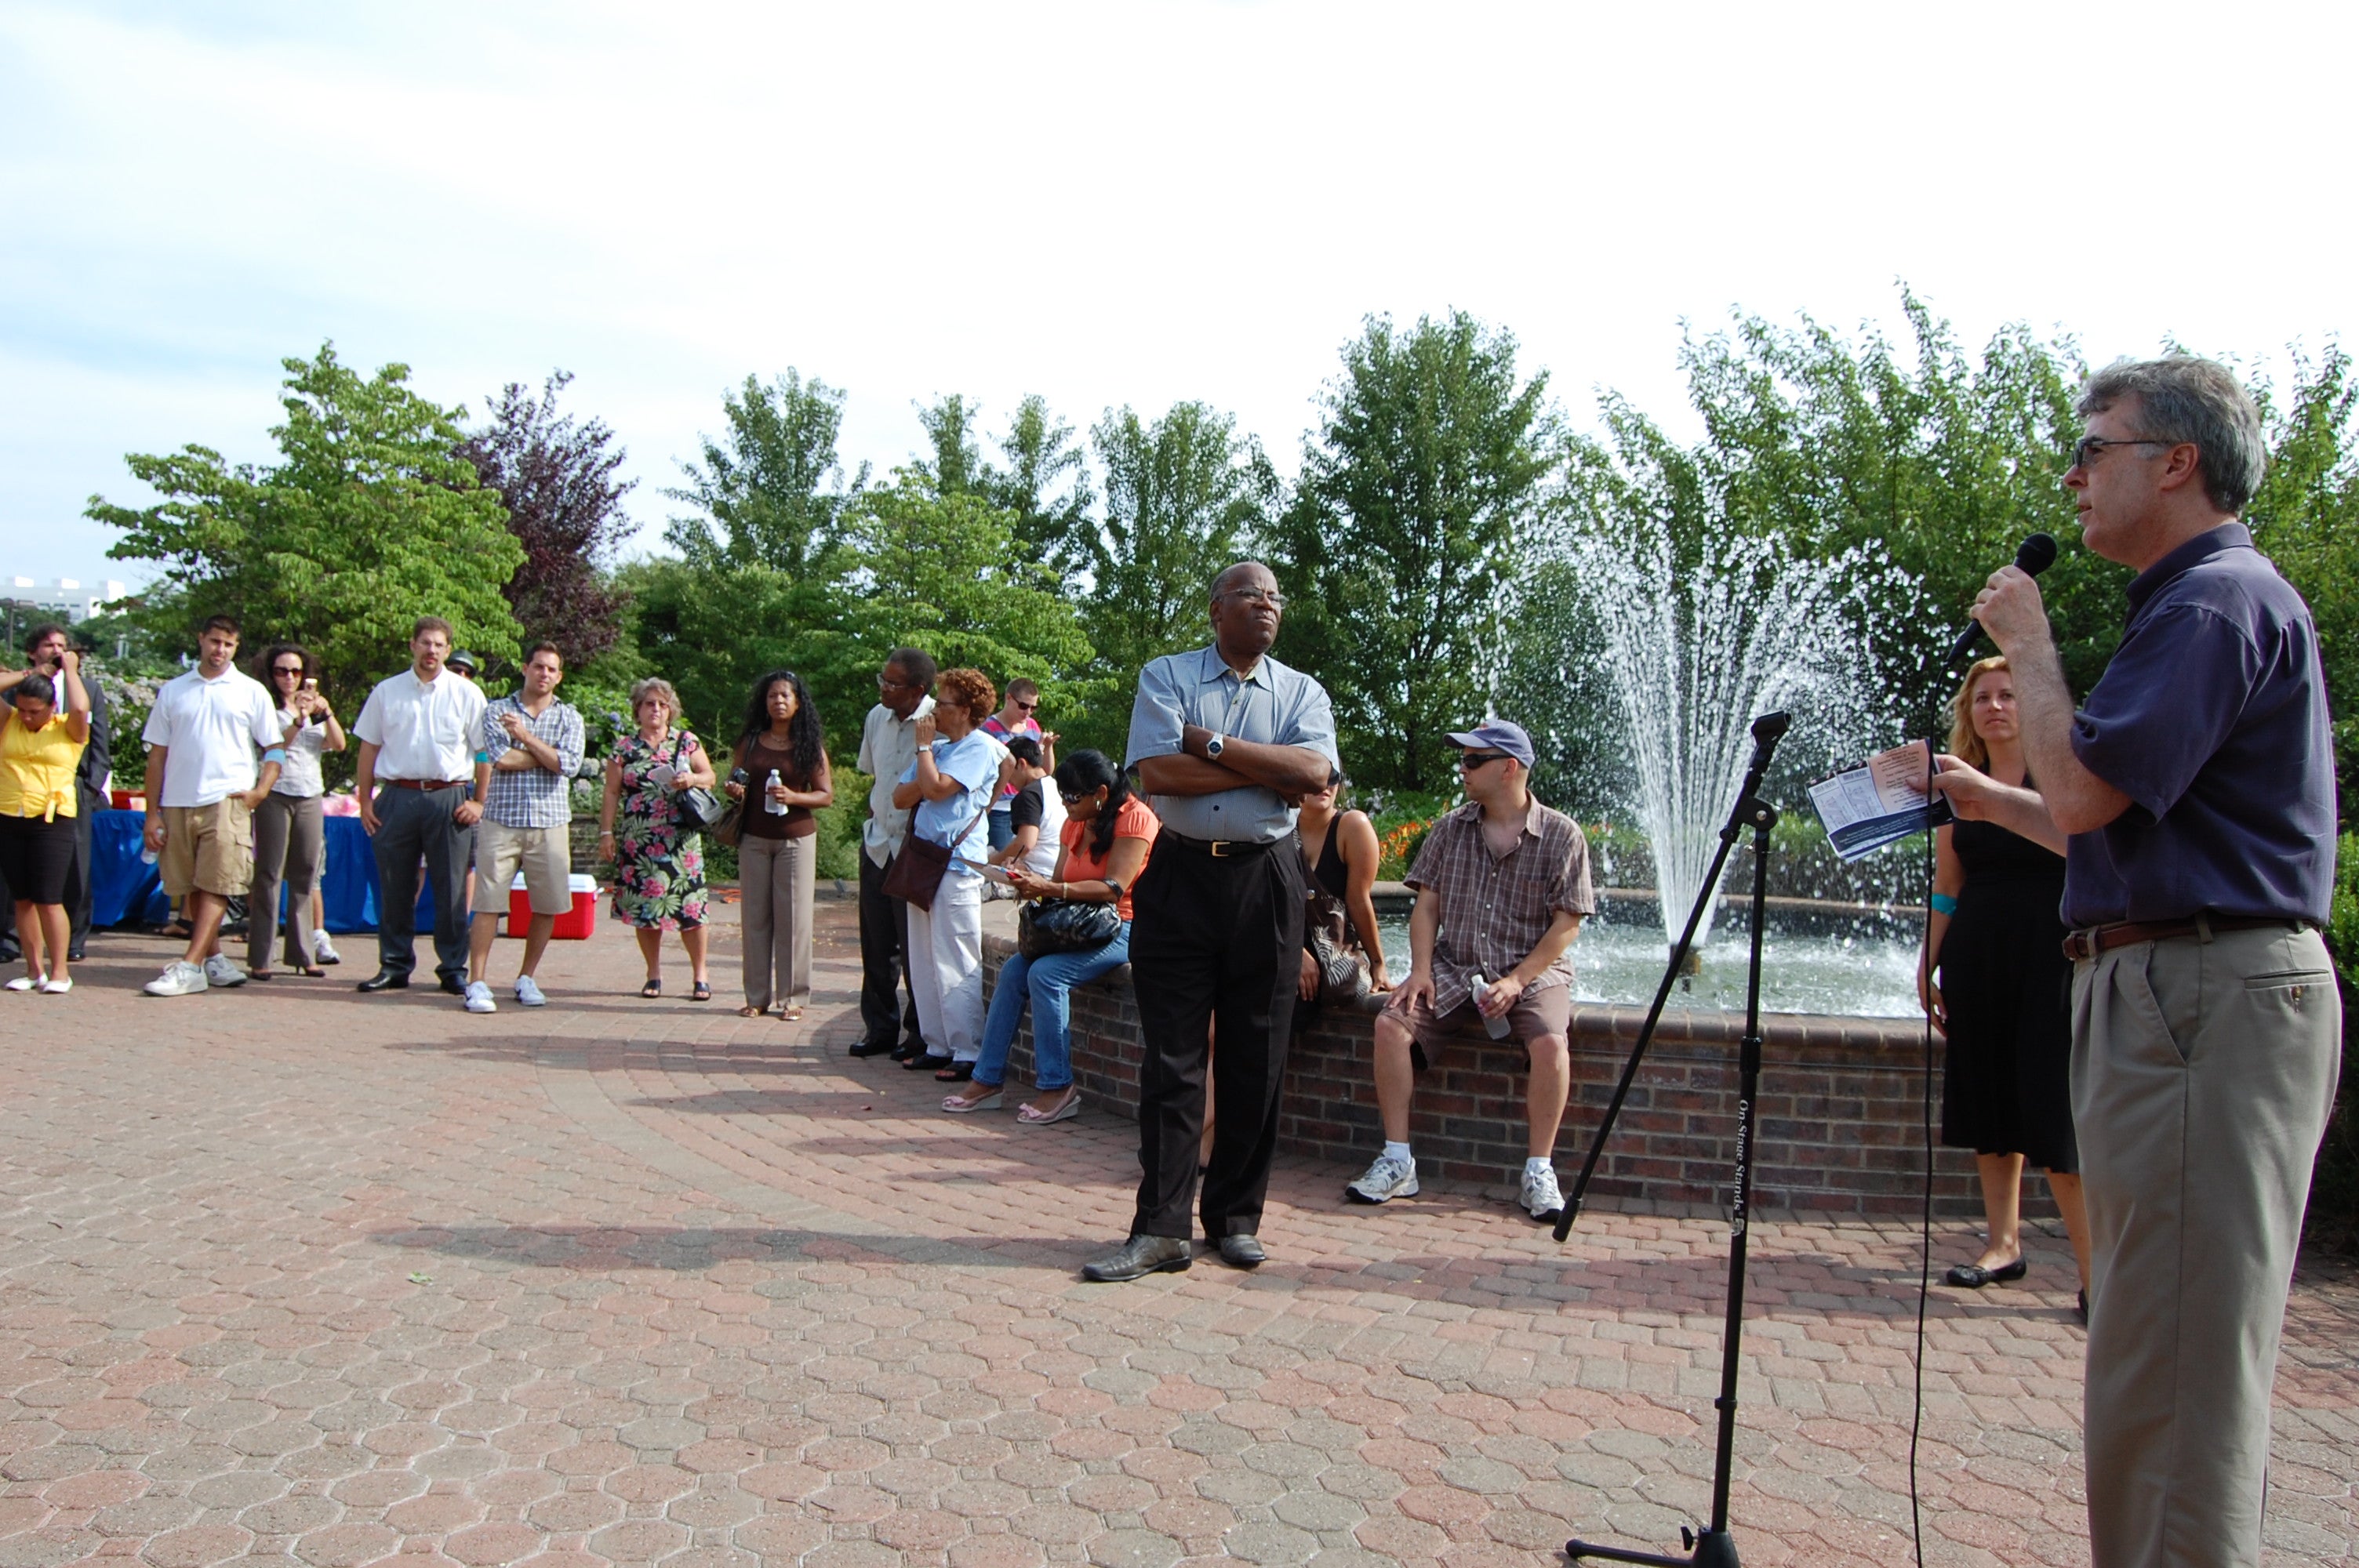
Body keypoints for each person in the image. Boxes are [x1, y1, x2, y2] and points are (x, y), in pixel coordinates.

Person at [1933, 357, 2339, 1568]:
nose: (2072, 473)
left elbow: (2094, 787)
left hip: (2200, 1001)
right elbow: (2113, 821)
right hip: (2184, 991)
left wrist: (2032, 642)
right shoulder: (2200, 604)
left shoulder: (2211, 604)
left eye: (2093, 445)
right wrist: (1985, 804)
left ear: (2178, 460)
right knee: (2157, 1369)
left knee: (2172, 1386)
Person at [1084, 561, 1338, 1283]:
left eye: (1276, 598)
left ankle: (1235, 1220)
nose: (1268, 607)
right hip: (1181, 875)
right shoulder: (1166, 675)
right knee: (1172, 1061)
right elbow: (1158, 776)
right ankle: (1161, 1230)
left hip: (1269, 878)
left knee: (1258, 1055)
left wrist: (1211, 745)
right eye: (1252, 595)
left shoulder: (1301, 692)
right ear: (1216, 609)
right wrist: (1270, 768)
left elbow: (1315, 777)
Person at [1345, 720, 1594, 1219]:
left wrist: (1519, 980)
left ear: (1509, 768)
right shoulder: (1449, 828)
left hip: (1533, 972)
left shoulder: (1563, 835)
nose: (1462, 768)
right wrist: (1419, 970)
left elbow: (1567, 926)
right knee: (1390, 1026)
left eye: (1473, 760)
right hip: (1455, 964)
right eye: (1462, 759)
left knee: (1550, 1041)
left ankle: (1539, 1171)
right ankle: (1398, 1161)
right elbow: (1426, 910)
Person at [1917, 656, 2092, 1312]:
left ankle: (2095, 1275)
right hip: (1977, 955)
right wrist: (1926, 963)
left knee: (2054, 1109)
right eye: (1983, 696)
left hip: (2055, 952)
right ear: (1971, 711)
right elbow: (1948, 886)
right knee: (1989, 1100)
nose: (1995, 706)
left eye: (2009, 695)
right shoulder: (1963, 788)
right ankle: (2003, 1244)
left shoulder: (2066, 780)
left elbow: (2094, 853)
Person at [945, 749, 1158, 1123]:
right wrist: (1025, 881)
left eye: (1073, 797)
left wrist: (1051, 889)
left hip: (1122, 926)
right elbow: (1060, 883)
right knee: (1014, 970)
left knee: (1047, 974)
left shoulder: (1136, 820)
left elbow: (1113, 888)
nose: (1065, 804)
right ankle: (987, 1079)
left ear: (1102, 793)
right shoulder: (1074, 823)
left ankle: (1058, 1086)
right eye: (1061, 796)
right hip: (1078, 925)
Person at [140, 615, 285, 997]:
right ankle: (214, 957)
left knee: (218, 882)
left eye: (229, 644)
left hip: (228, 799)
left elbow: (274, 748)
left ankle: (190, 965)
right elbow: (157, 755)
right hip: (178, 799)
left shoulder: (250, 691)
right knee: (190, 883)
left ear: (237, 648)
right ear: (201, 640)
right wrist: (151, 813)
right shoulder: (174, 691)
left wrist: (260, 791)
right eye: (215, 641)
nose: (220, 650)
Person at [351, 617, 487, 995]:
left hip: (451, 798)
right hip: (397, 795)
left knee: (452, 888)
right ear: (412, 645)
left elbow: (484, 750)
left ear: (447, 649)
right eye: (425, 643)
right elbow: (368, 748)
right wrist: (365, 801)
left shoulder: (466, 693)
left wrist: (479, 799)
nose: (432, 651)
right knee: (395, 885)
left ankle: (452, 968)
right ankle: (394, 964)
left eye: (439, 645)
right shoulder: (386, 692)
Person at [460, 642, 583, 1014]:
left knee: (547, 904)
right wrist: (547, 756)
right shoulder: (498, 710)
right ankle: (477, 982)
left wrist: (527, 739)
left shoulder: (569, 717)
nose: (544, 674)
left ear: (559, 676)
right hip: (502, 819)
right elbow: (500, 758)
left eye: (552, 669)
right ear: (526, 668)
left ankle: (527, 976)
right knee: (488, 902)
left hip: (550, 822)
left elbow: (569, 764)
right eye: (538, 667)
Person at [890, 667, 1001, 1078]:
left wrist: (925, 758)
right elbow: (901, 797)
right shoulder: (935, 750)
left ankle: (967, 1050)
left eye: (944, 702)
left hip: (956, 868)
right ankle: (937, 1043)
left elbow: (936, 790)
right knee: (921, 959)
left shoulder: (980, 747)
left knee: (956, 958)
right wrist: (928, 765)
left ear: (966, 710)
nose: (934, 709)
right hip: (924, 861)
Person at [725, 669, 832, 1020]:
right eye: (773, 696)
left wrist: (794, 796)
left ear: (799, 703)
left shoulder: (808, 746)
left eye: (786, 695)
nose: (779, 701)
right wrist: (735, 788)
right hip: (754, 839)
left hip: (796, 840)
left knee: (793, 920)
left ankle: (793, 999)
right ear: (764, 701)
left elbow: (826, 795)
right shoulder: (751, 742)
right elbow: (736, 777)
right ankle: (756, 997)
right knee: (754, 919)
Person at [599, 676, 714, 999]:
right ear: (638, 709)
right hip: (640, 841)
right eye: (649, 703)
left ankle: (700, 974)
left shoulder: (685, 741)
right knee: (646, 910)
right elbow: (611, 792)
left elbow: (710, 776)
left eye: (662, 704)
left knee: (691, 909)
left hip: (681, 841)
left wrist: (690, 778)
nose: (656, 709)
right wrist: (606, 833)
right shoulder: (624, 748)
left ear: (670, 710)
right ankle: (653, 973)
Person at [852, 648, 936, 1059]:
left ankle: (918, 1033)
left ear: (918, 690)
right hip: (877, 843)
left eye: (893, 683)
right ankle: (878, 1028)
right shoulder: (875, 717)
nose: (884, 688)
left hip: (915, 850)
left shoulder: (939, 722)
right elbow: (876, 778)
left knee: (915, 947)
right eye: (881, 680)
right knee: (876, 944)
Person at [246, 643, 344, 979]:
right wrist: (299, 720)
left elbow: (339, 744)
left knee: (305, 874)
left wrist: (325, 712)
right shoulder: (267, 707)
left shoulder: (314, 707)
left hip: (310, 793)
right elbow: (275, 745)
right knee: (270, 874)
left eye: (296, 672)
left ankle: (304, 953)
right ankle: (261, 956)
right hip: (276, 792)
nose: (289, 678)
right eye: (281, 671)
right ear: (271, 675)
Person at [0, 660, 91, 993]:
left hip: (51, 820)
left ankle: (60, 972)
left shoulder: (68, 728)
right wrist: (29, 674)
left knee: (48, 898)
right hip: (10, 816)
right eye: (23, 709)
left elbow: (82, 706)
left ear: (52, 708)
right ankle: (33, 969)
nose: (26, 717)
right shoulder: (9, 721)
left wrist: (69, 671)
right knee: (22, 899)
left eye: (35, 711)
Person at [20, 625, 108, 963]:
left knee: (75, 868)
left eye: (62, 645)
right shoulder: (22, 688)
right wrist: (29, 675)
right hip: (24, 790)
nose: (56, 650)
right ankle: (15, 939)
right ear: (33, 651)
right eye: (48, 645)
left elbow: (99, 743)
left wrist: (90, 786)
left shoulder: (87, 689)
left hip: (72, 787)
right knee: (20, 868)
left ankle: (74, 940)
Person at [1292, 771, 1391, 1008]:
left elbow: (1359, 900)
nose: (1324, 785)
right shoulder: (1276, 826)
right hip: (1281, 951)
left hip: (1333, 962)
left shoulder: (1352, 826)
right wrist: (1294, 954)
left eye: (1333, 777)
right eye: (1315, 773)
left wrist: (1379, 964)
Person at [980, 677, 1049, 853]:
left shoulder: (1032, 726)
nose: (1028, 712)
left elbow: (1043, 770)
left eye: (1033, 708)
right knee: (1001, 856)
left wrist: (1047, 748)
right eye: (1024, 706)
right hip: (999, 807)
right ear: (1009, 699)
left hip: (1028, 802)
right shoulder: (987, 729)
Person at [987, 736, 1066, 881]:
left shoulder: (1029, 794)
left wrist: (992, 861)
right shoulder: (1054, 785)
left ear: (1021, 764)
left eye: (1008, 769)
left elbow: (1025, 844)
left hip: (1038, 872)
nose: (1007, 779)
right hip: (1058, 867)